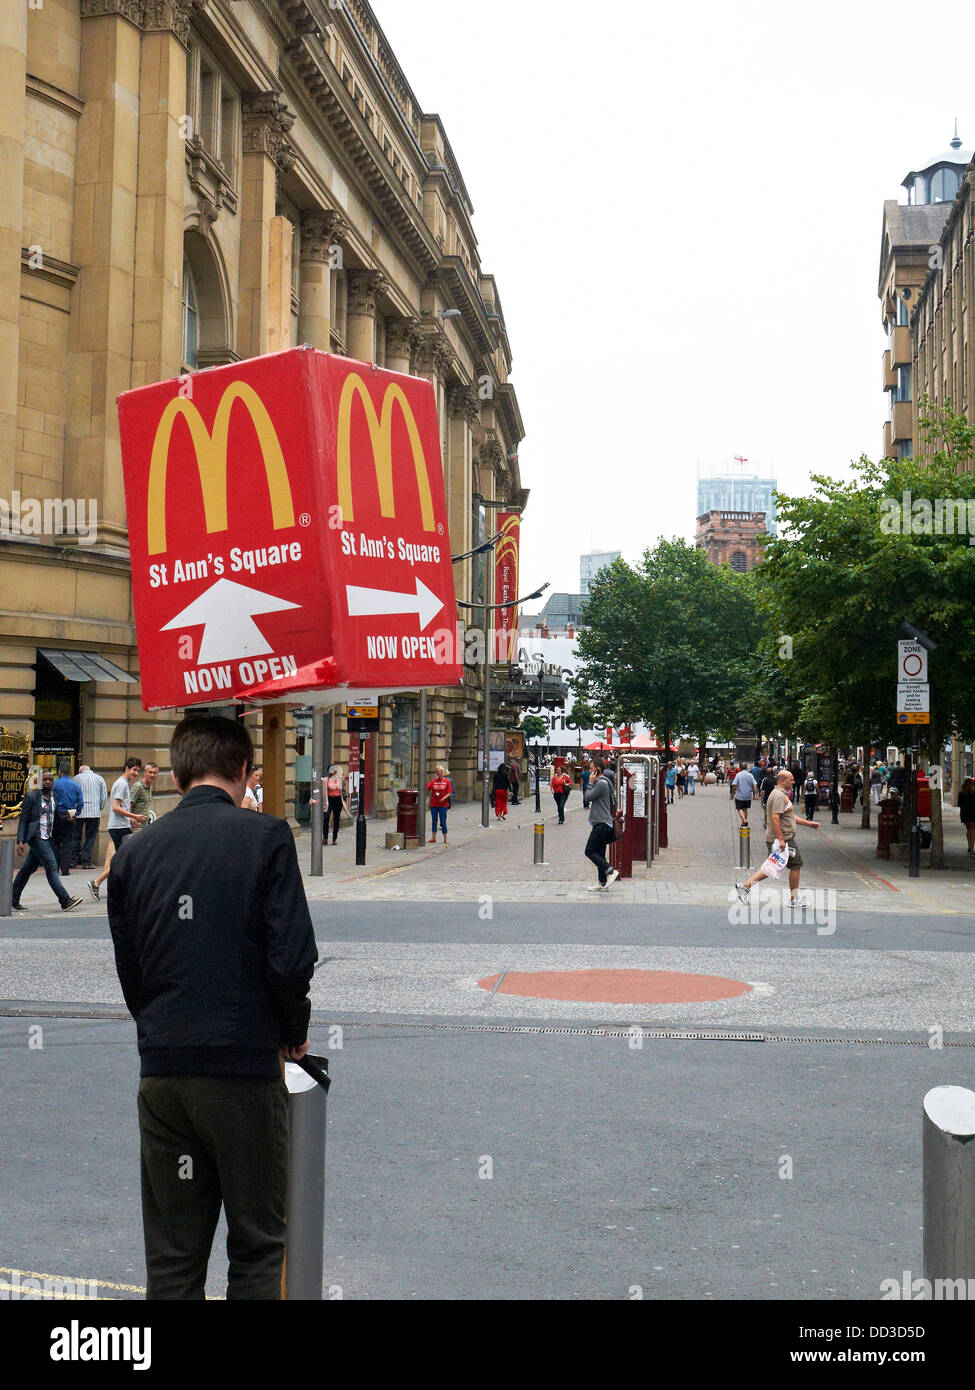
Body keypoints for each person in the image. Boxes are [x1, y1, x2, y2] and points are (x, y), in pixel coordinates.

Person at [107, 715, 317, 1300]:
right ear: (244, 772)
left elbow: (132, 970)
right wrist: (292, 1031)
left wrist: (158, 1027)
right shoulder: (268, 838)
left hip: (165, 1071)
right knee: (255, 1244)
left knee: (173, 1255)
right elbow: (291, 957)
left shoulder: (134, 854)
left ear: (175, 777)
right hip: (243, 1069)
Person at [739, 769, 820, 908]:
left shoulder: (780, 795)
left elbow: (787, 816)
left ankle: (745, 886)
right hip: (784, 840)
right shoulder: (778, 796)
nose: (793, 782)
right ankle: (794, 899)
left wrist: (808, 824)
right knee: (795, 865)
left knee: (772, 867)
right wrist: (782, 840)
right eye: (791, 780)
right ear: (783, 781)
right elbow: (775, 817)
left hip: (780, 839)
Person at [10, 771, 84, 912]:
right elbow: (24, 819)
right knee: (51, 866)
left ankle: (12, 899)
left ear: (53, 781)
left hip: (48, 838)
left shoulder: (54, 797)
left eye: (50, 779)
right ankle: (65, 900)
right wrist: (20, 841)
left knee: (28, 869)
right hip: (36, 837)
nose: (48, 782)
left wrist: (67, 818)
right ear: (40, 782)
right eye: (45, 780)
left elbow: (56, 817)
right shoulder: (32, 797)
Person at [88, 758, 146, 901]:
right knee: (124, 860)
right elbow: (115, 807)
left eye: (138, 770)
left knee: (123, 860)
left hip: (121, 826)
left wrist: (131, 820)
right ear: (127, 768)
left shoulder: (123, 783)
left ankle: (108, 886)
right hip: (119, 828)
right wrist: (135, 816)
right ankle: (97, 883)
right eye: (134, 769)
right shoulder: (121, 784)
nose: (136, 773)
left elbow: (120, 809)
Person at [583, 758, 619, 892]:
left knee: (590, 850)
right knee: (599, 852)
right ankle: (602, 882)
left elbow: (587, 798)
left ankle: (610, 870)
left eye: (592, 769)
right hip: (605, 822)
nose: (590, 772)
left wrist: (590, 783)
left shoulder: (600, 784)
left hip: (601, 823)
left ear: (598, 769)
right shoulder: (607, 782)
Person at [52, 759, 83, 875]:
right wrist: (76, 813)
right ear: (70, 772)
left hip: (57, 814)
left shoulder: (55, 784)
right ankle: (65, 869)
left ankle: (54, 868)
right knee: (68, 843)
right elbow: (80, 803)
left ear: (60, 771)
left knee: (55, 842)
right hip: (70, 814)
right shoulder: (76, 786)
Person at [74, 762, 108, 869]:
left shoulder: (76, 778)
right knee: (90, 837)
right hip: (94, 812)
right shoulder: (99, 778)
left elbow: (73, 794)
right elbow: (104, 796)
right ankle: (86, 862)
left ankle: (73, 861)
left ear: (80, 771)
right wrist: (100, 807)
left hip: (79, 812)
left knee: (76, 836)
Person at [426, 765, 452, 846]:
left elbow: (449, 793)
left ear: (442, 772)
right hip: (434, 804)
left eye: (438, 771)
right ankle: (433, 838)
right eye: (436, 771)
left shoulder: (447, 781)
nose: (437, 773)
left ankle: (445, 838)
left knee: (443, 821)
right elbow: (427, 788)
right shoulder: (434, 781)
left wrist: (444, 798)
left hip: (443, 805)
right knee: (434, 821)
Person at [130, 763, 158, 831]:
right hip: (137, 828)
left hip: (146, 827)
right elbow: (128, 805)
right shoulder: (138, 786)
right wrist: (131, 819)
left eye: (154, 773)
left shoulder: (148, 787)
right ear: (145, 773)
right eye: (150, 772)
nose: (152, 775)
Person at [959, 778, 975, 855]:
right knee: (972, 830)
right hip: (972, 814)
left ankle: (970, 846)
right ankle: (971, 848)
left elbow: (959, 804)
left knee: (969, 830)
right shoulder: (973, 793)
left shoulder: (961, 793)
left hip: (965, 814)